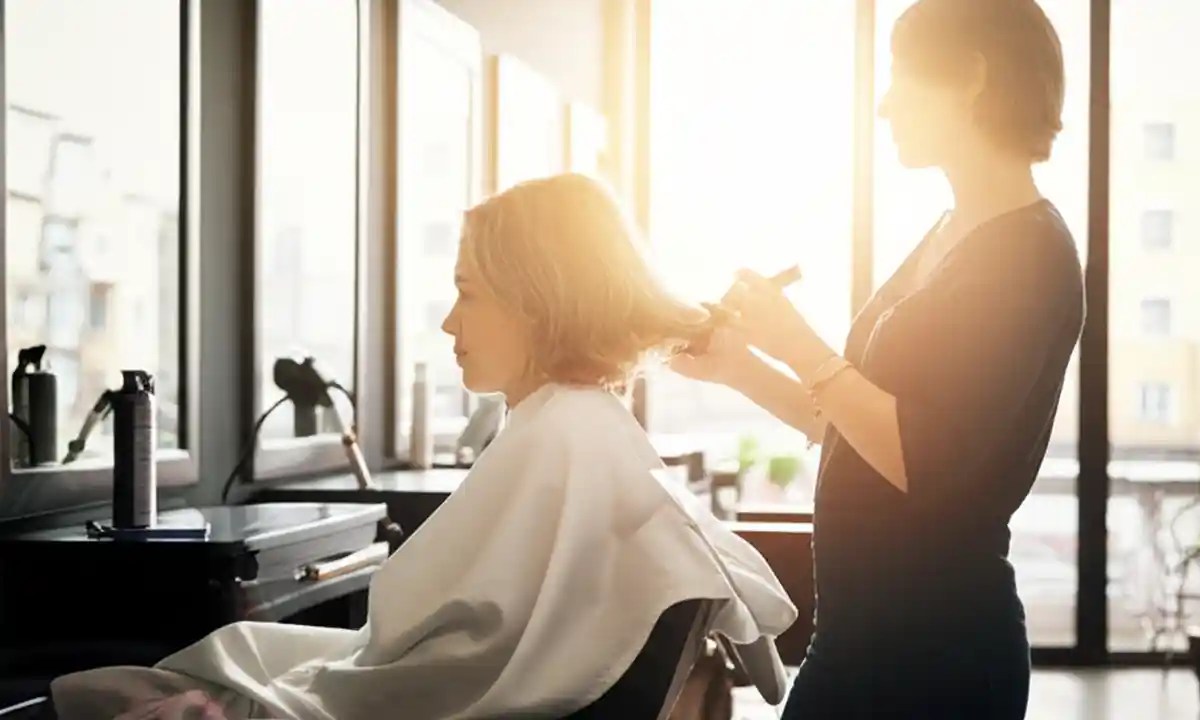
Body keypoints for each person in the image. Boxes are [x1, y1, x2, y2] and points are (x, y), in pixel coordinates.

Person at [50, 174, 797, 720]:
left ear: (537, 300)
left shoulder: (562, 436)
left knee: (112, 690)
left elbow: (427, 653)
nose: (449, 322)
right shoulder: (577, 428)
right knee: (218, 655)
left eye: (468, 291)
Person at [671, 0, 1085, 716]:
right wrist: (740, 366)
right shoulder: (951, 232)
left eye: (901, 76)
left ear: (972, 78)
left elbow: (920, 458)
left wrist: (793, 338)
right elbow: (857, 429)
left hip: (937, 653)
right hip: (858, 635)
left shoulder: (1030, 253)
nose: (886, 105)